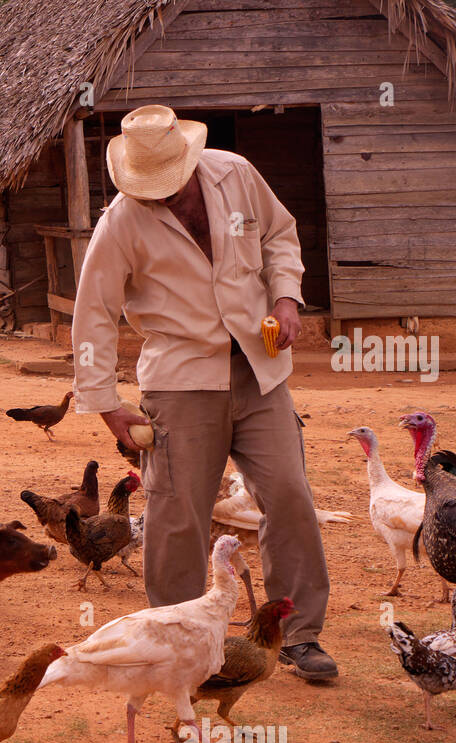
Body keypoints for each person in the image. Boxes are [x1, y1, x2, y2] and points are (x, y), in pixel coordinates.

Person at [71, 104, 335, 681]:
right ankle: (175, 640)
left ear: (189, 159)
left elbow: (280, 236)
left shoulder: (235, 174)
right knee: (176, 515)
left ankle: (295, 635)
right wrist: (106, 402)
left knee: (289, 494)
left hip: (260, 367)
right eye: (151, 189)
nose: (162, 196)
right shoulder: (120, 221)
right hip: (181, 378)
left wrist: (286, 297)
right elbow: (93, 312)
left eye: (170, 183)